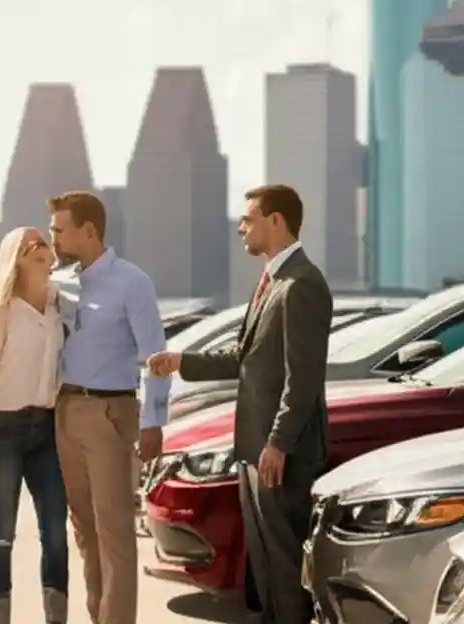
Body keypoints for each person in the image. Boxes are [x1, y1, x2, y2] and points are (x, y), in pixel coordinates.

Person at [149, 184, 333, 624]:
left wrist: (278, 443)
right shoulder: (272, 281)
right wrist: (181, 361)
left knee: (287, 569)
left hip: (281, 454)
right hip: (254, 449)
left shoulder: (302, 285)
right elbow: (244, 358)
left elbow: (302, 378)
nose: (241, 228)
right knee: (266, 566)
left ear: (276, 221)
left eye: (248, 219)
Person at [47, 191, 168, 624]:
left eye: (59, 229)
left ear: (89, 231)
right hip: (65, 414)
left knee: (114, 532)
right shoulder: (61, 283)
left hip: (109, 414)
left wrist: (154, 422)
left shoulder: (132, 282)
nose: (53, 237)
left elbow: (156, 356)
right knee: (83, 532)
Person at [0, 227, 69, 624]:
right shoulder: (1, 311)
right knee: (2, 535)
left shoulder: (60, 303)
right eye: (30, 246)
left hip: (46, 430)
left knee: (56, 533)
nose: (41, 247)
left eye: (43, 241)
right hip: (3, 431)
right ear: (15, 258)